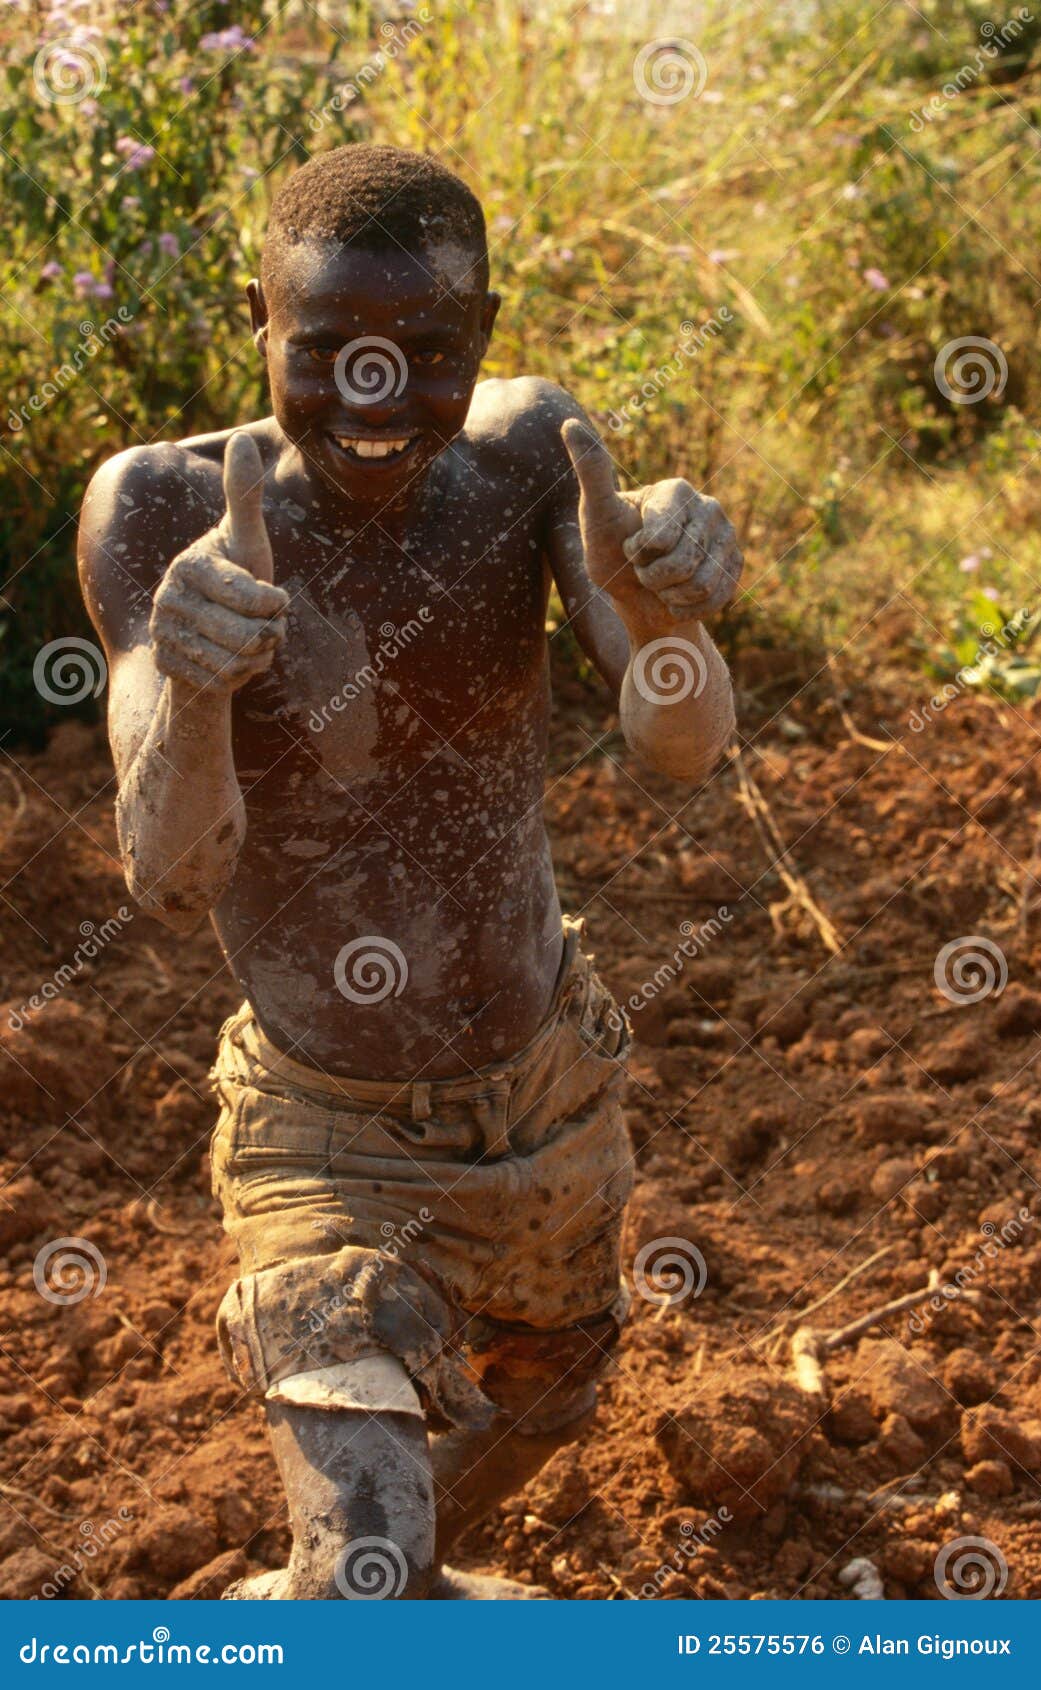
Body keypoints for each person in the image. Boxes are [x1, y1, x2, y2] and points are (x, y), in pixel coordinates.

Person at [78, 144, 742, 1600]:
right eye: (325, 349)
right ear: (257, 318)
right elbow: (170, 875)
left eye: (429, 350)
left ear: (485, 333)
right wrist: (195, 685)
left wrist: (666, 613)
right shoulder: (161, 511)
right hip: (324, 1128)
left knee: (537, 1413)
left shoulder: (528, 458)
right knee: (371, 1557)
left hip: (548, 1101)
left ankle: (324, 1611)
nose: (375, 397)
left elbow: (682, 749)